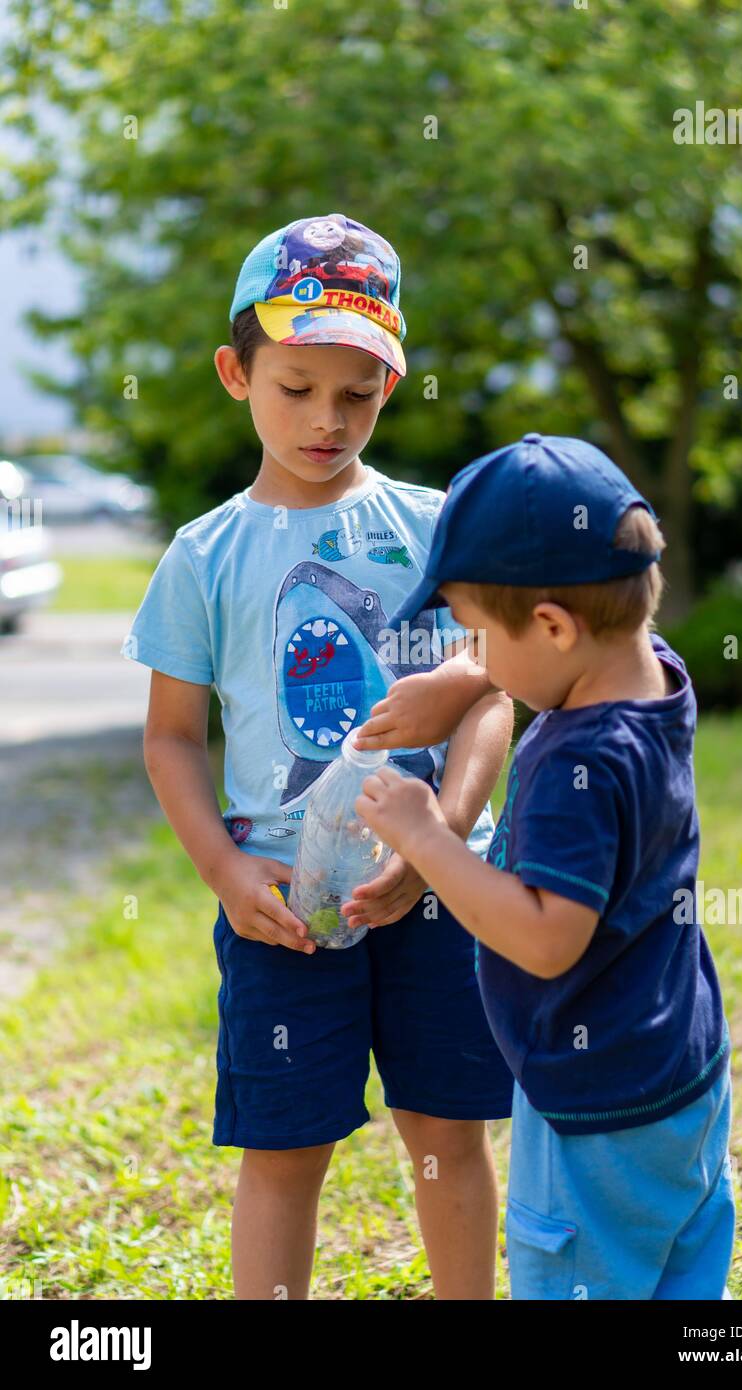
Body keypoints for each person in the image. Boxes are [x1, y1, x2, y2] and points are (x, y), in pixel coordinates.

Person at [121, 213, 515, 1300]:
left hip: (436, 895)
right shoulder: (203, 555)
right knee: (285, 1149)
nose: (326, 418)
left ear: (392, 381)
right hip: (281, 907)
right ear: (233, 373)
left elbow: (489, 697)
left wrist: (442, 838)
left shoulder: (436, 532)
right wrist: (222, 870)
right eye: (294, 386)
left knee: (446, 1130)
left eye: (357, 392)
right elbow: (169, 737)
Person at [354, 433, 736, 1300]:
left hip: (594, 1107)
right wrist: (466, 682)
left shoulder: (578, 766)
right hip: (683, 1072)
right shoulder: (656, 681)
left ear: (555, 626)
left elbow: (544, 937)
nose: (468, 649)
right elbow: (569, 650)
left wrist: (426, 838)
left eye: (476, 634)